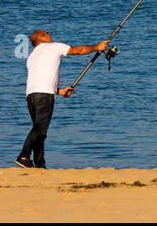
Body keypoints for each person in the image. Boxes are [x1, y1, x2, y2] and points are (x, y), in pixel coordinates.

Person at [16, 29, 111, 168]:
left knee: (39, 131)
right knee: (39, 129)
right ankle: (23, 156)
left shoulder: (32, 56)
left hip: (31, 95)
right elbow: (78, 50)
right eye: (46, 33)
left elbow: (41, 79)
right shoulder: (53, 47)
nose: (50, 34)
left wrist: (61, 91)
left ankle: (39, 164)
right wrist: (97, 47)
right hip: (44, 95)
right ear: (41, 38)